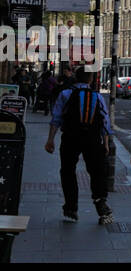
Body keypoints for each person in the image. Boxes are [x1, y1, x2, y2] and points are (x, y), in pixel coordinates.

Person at [44, 66, 114, 225]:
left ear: (76, 77)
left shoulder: (65, 94)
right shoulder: (97, 96)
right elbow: (105, 121)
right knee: (96, 171)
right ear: (90, 79)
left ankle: (71, 207)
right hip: (92, 138)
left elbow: (56, 118)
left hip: (70, 137)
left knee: (68, 170)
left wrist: (50, 140)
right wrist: (106, 142)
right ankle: (100, 203)